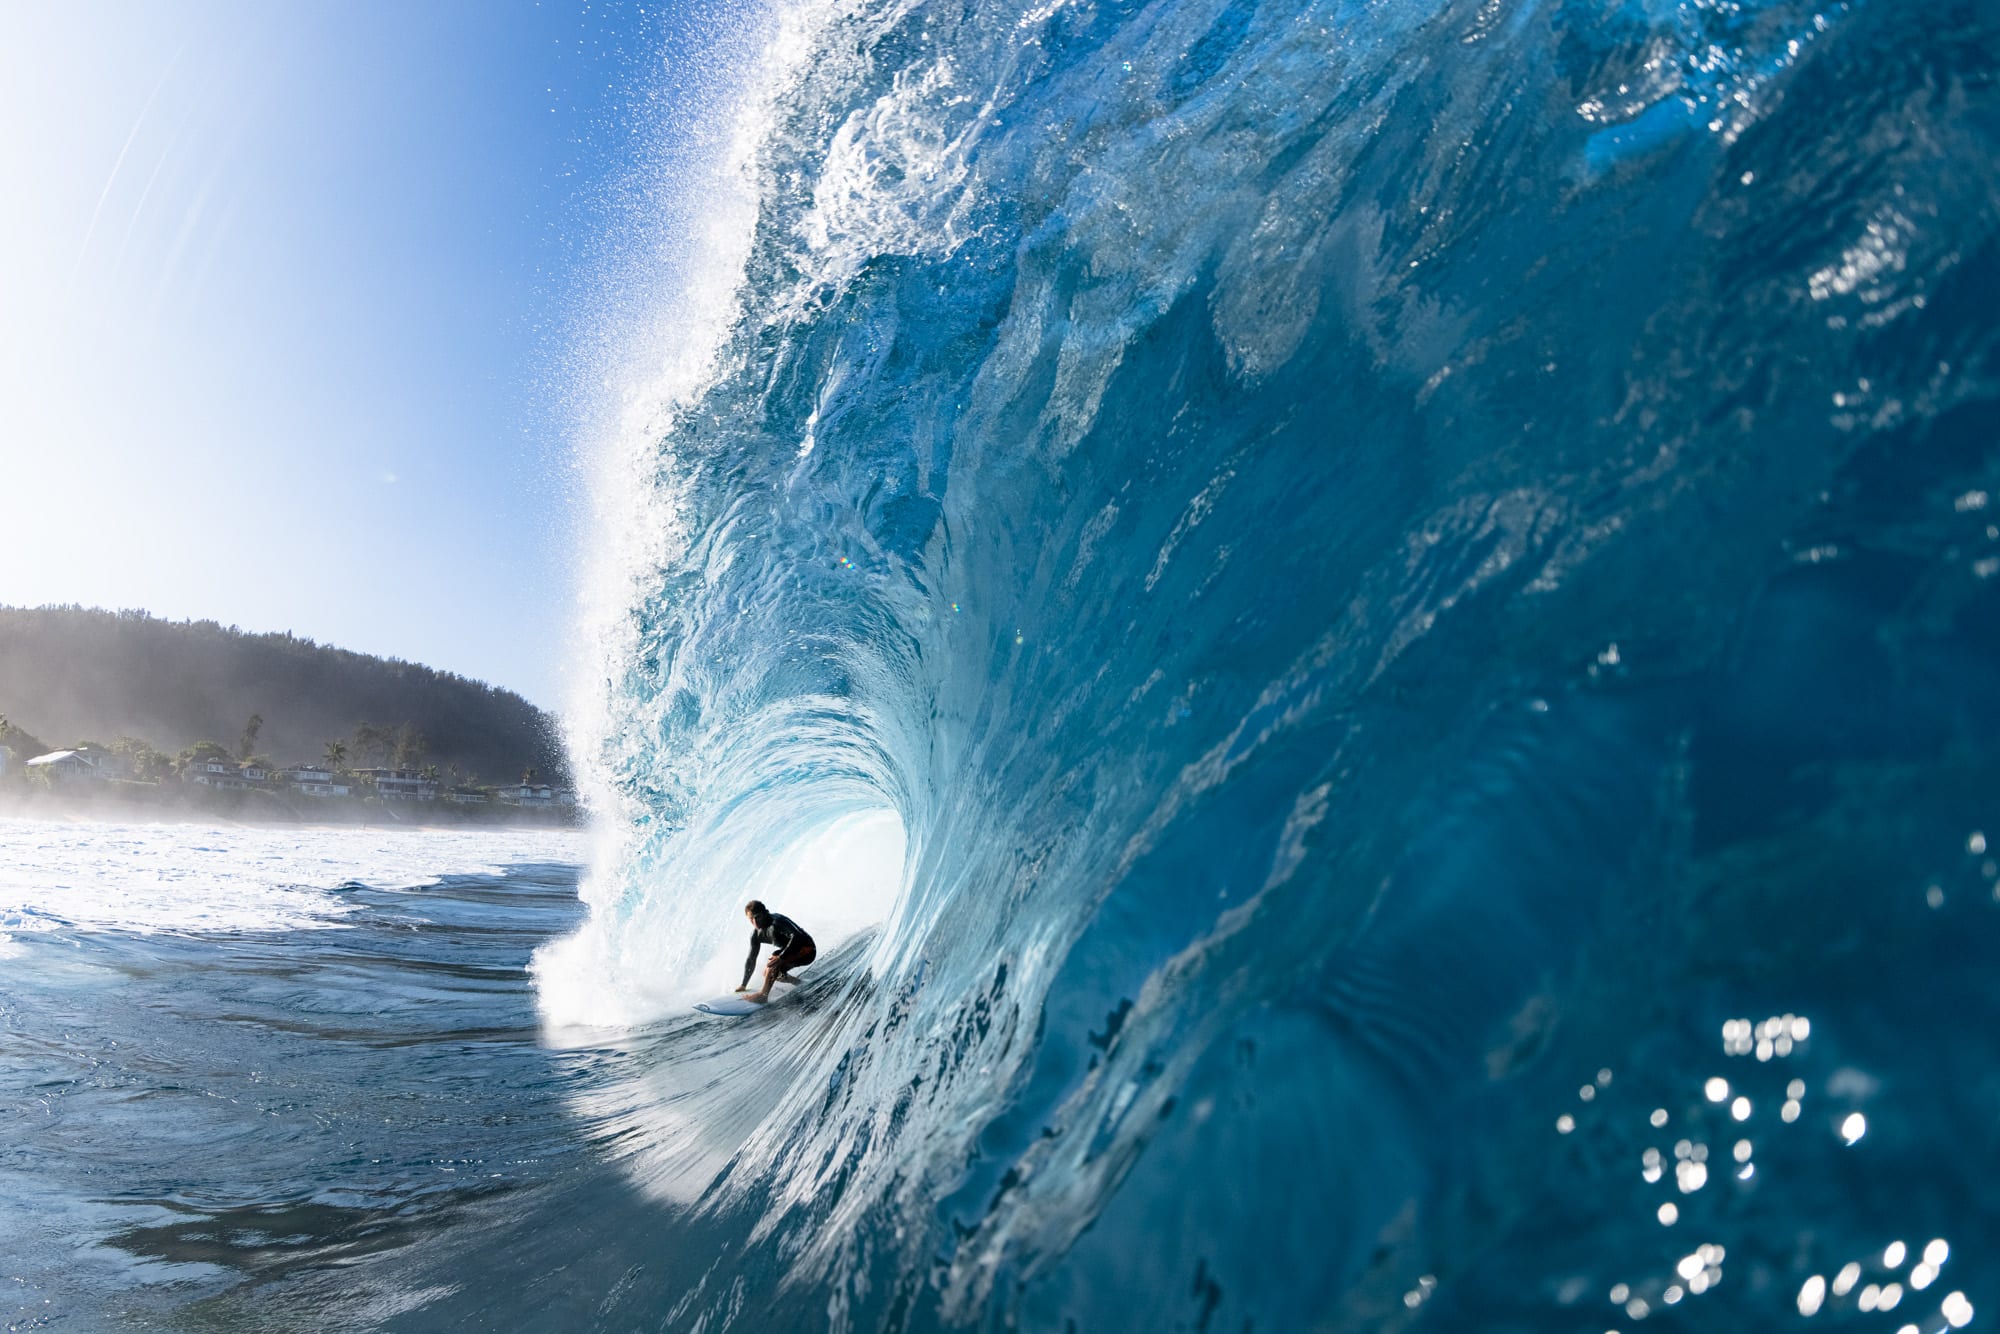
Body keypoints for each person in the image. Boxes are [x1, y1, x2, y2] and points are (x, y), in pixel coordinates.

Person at [737, 899, 816, 1003]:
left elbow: (797, 936)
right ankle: (800, 983)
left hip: (807, 950)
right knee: (767, 973)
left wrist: (781, 957)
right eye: (751, 919)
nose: (755, 922)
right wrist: (743, 985)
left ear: (765, 913)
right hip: (792, 952)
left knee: (773, 964)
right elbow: (751, 959)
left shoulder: (777, 922)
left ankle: (763, 995)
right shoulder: (755, 935)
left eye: (757, 917)